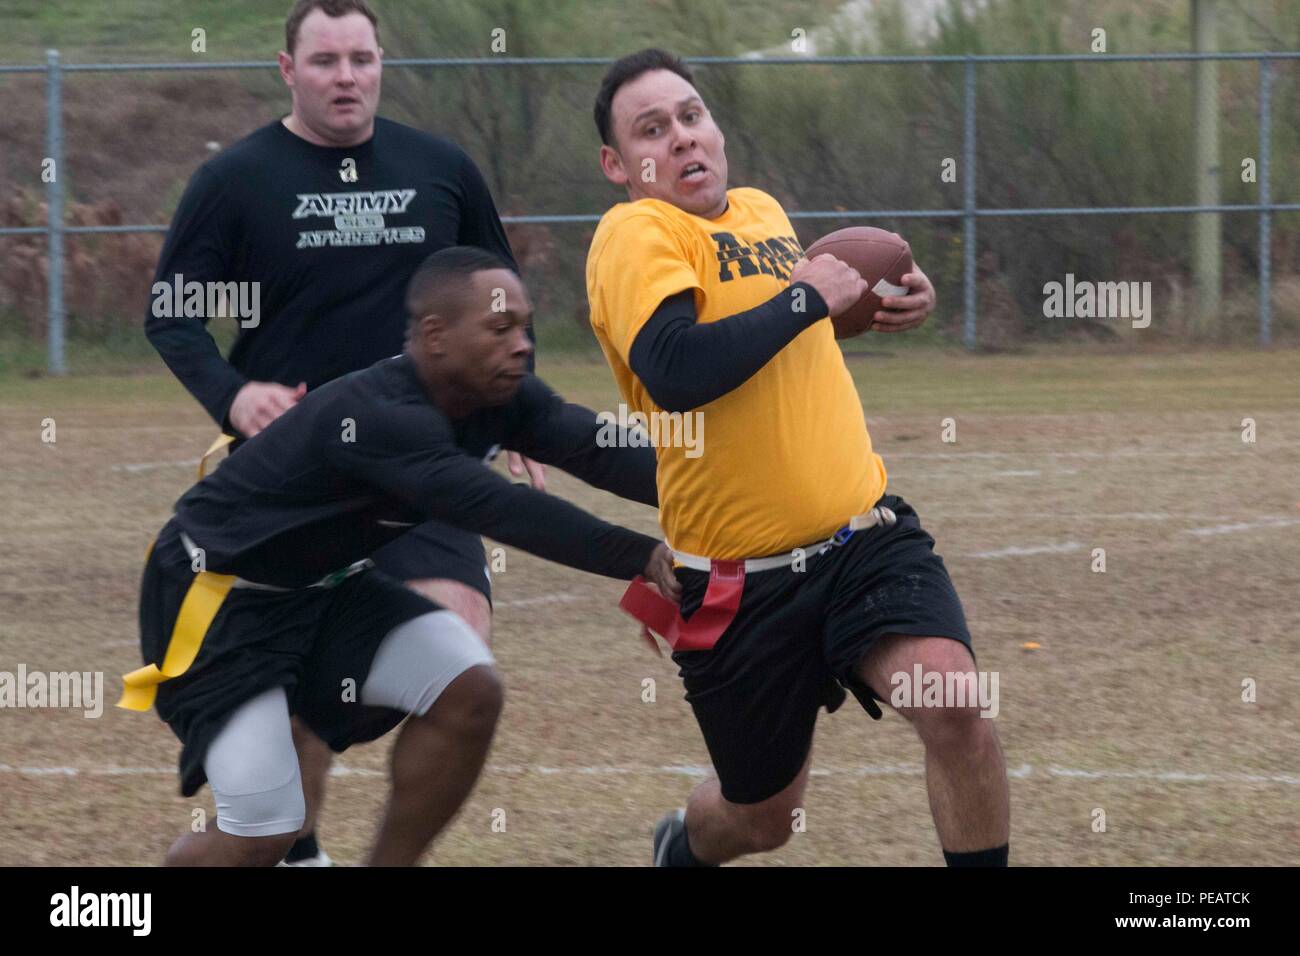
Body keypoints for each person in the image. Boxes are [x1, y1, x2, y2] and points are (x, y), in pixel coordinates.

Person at [586, 49, 1010, 866]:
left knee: (954, 700)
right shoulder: (633, 231)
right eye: (651, 129)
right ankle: (683, 849)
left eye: (690, 115)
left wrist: (891, 298)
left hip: (861, 539)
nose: (680, 137)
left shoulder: (762, 213)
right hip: (740, 584)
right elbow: (677, 370)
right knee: (762, 818)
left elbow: (799, 322)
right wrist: (808, 294)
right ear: (617, 164)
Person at [121, 246, 676, 866]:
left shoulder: (495, 395)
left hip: (323, 590)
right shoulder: (384, 415)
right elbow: (505, 510)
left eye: (524, 326)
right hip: (216, 601)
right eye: (500, 328)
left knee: (469, 690)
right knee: (265, 832)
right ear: (435, 335)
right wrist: (643, 554)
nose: (522, 344)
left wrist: (717, 498)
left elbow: (596, 447)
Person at [144, 0, 537, 865]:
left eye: (361, 58)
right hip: (295, 487)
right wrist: (233, 395)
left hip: (423, 471)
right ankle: (296, 842)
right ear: (289, 70)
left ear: (382, 63)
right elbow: (171, 313)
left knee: (459, 644)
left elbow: (500, 300)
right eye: (325, 61)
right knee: (287, 735)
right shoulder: (236, 179)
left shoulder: (439, 168)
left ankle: (334, 838)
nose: (346, 77)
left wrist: (518, 414)